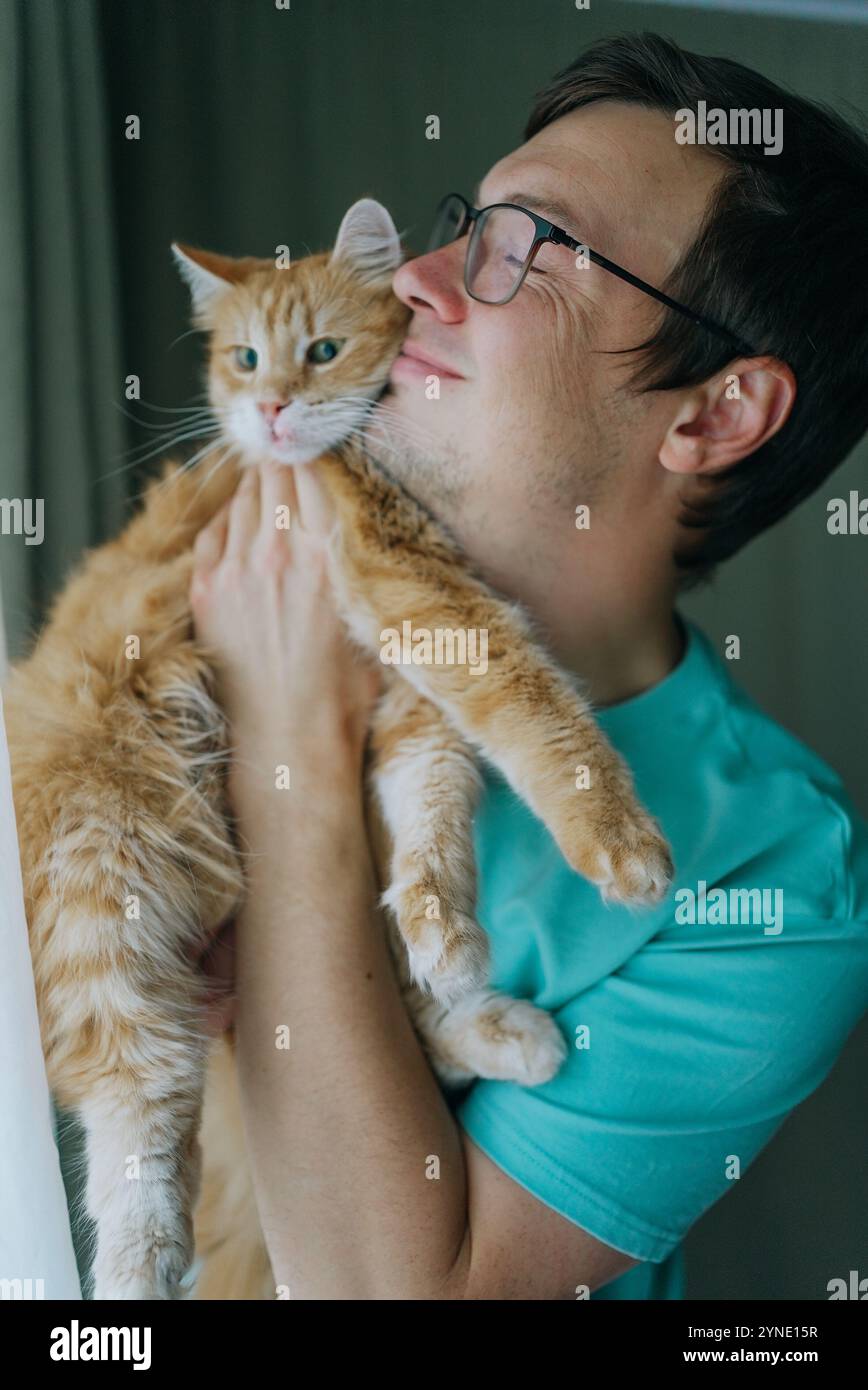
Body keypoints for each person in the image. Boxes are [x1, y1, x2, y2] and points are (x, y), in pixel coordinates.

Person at [189, 35, 868, 1299]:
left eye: (533, 249)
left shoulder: (777, 880)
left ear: (714, 413)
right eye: (468, 224)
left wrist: (291, 746)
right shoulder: (225, 574)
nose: (417, 284)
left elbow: (403, 1296)